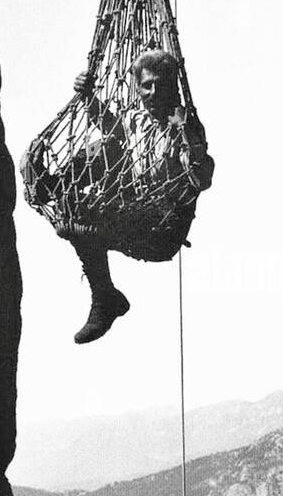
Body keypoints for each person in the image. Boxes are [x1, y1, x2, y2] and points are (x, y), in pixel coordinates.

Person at [70, 48, 213, 343]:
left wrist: (186, 133)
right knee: (73, 210)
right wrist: (88, 96)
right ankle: (104, 296)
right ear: (137, 88)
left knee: (82, 224)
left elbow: (202, 177)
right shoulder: (135, 120)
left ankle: (104, 300)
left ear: (173, 86)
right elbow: (112, 126)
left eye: (160, 84)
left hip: (163, 230)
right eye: (146, 85)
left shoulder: (185, 127)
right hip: (135, 213)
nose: (153, 92)